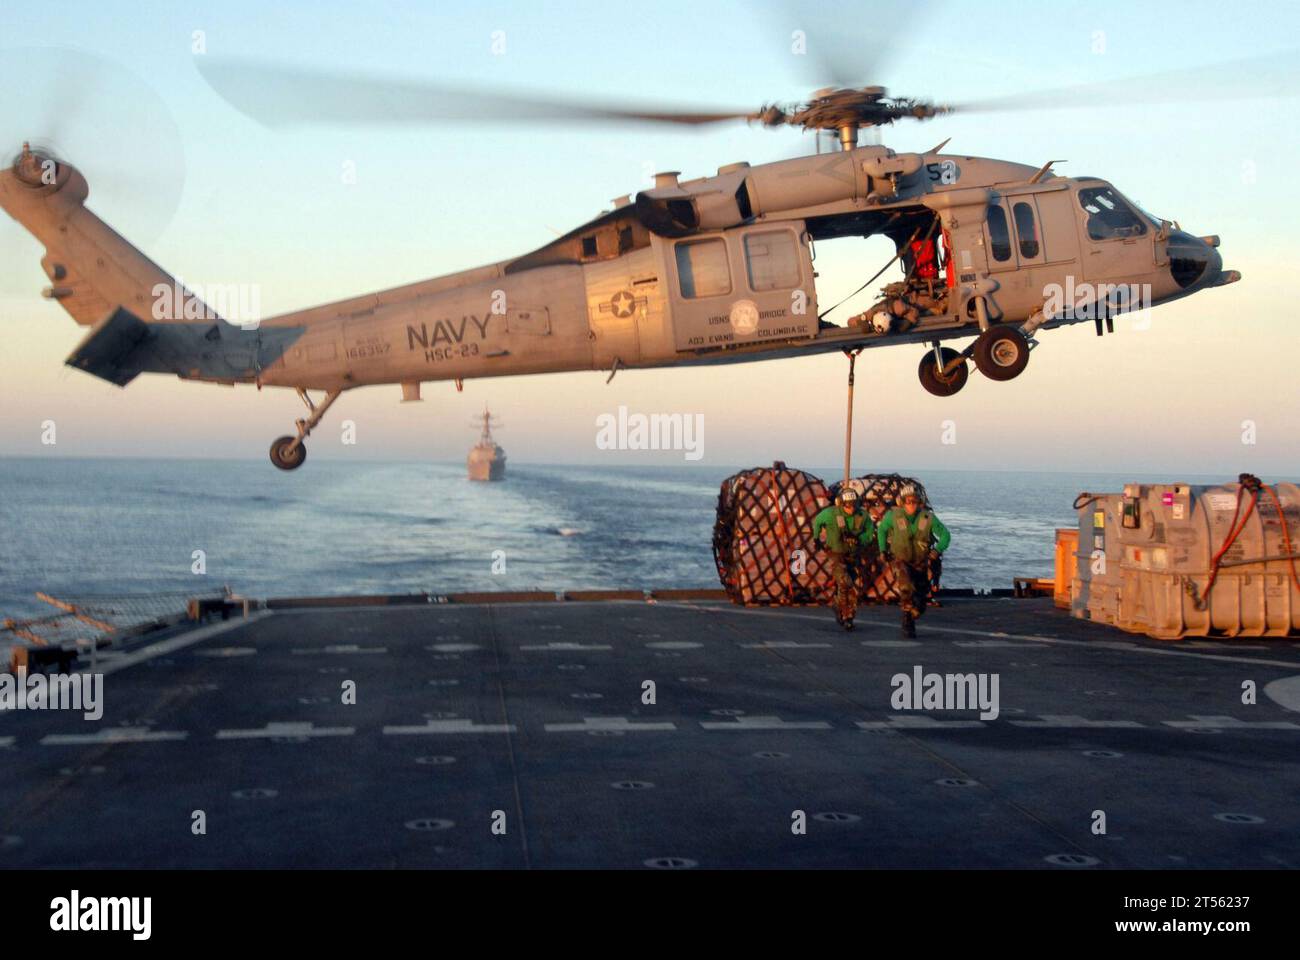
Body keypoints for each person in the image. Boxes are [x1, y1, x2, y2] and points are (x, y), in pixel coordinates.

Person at [877, 485, 951, 637]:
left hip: (920, 563)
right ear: (902, 502)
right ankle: (907, 621)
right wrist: (883, 549)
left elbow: (945, 535)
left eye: (914, 501)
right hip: (900, 560)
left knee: (921, 602)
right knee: (905, 586)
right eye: (907, 501)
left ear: (919, 502)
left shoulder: (927, 517)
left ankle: (913, 613)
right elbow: (882, 530)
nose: (911, 504)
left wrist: (937, 550)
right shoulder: (893, 516)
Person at [811, 486, 873, 630]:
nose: (851, 508)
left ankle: (845, 614)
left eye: (853, 504)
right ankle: (845, 613)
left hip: (852, 555)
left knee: (847, 586)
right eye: (848, 505)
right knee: (846, 582)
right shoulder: (830, 514)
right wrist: (816, 539)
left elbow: (869, 532)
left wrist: (859, 539)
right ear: (841, 503)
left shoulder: (862, 516)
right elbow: (818, 521)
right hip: (836, 554)